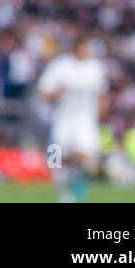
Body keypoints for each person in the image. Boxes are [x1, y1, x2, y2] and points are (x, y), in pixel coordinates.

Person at [37, 36, 107, 201]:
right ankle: (64, 191)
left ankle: (78, 188)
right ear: (77, 47)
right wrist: (56, 94)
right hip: (63, 119)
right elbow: (43, 90)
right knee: (57, 158)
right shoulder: (61, 65)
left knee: (87, 157)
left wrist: (101, 111)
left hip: (85, 119)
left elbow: (103, 93)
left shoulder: (95, 67)